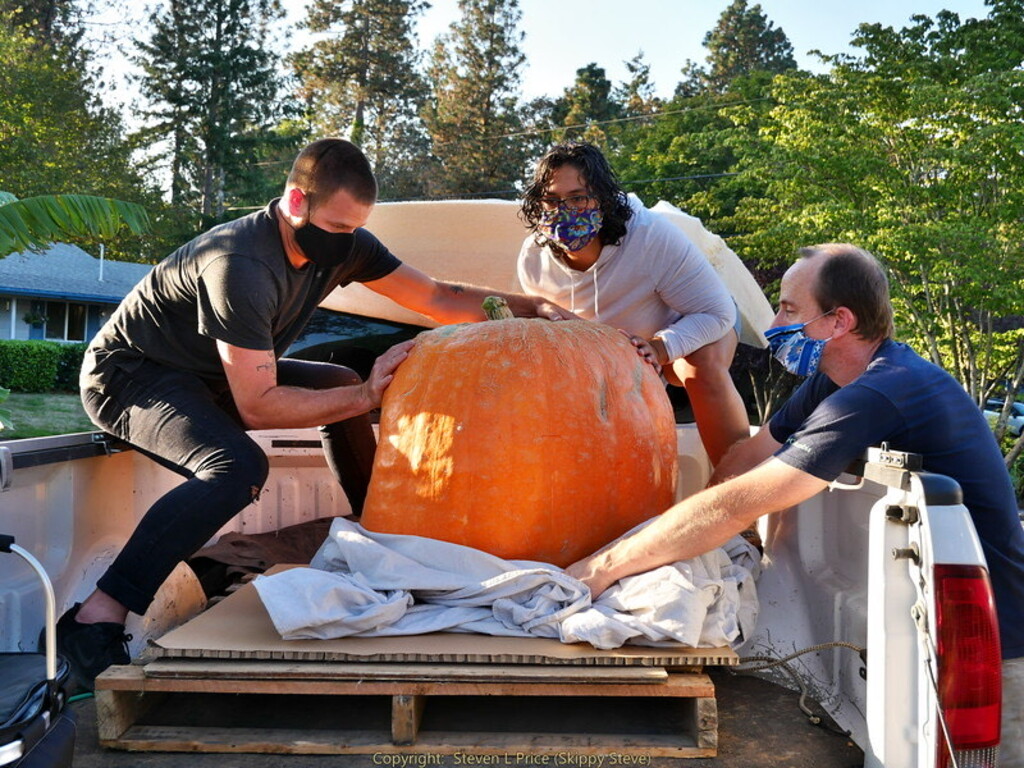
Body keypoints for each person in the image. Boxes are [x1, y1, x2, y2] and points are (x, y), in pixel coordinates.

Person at [58, 137, 572, 690]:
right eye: (336, 227)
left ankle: (385, 532)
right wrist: (367, 398)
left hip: (209, 376)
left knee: (340, 381)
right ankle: (96, 617)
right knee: (236, 467)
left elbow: (437, 298)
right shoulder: (241, 264)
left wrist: (527, 308)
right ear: (296, 203)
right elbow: (257, 405)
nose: (345, 242)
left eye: (354, 229)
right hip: (133, 377)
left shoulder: (347, 244)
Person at [566, 243, 1024, 767]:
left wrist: (605, 567)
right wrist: (713, 547)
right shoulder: (829, 383)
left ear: (838, 321)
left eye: (788, 309)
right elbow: (742, 463)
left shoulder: (881, 391)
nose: (774, 323)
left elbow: (739, 504)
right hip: (929, 638)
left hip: (989, 652)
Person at [517, 141, 749, 466]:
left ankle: (737, 484)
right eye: (552, 200)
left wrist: (660, 348)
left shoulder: (651, 236)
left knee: (698, 367)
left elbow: (716, 312)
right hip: (616, 352)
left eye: (578, 197)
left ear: (603, 198)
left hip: (694, 320)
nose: (565, 210)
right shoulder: (533, 259)